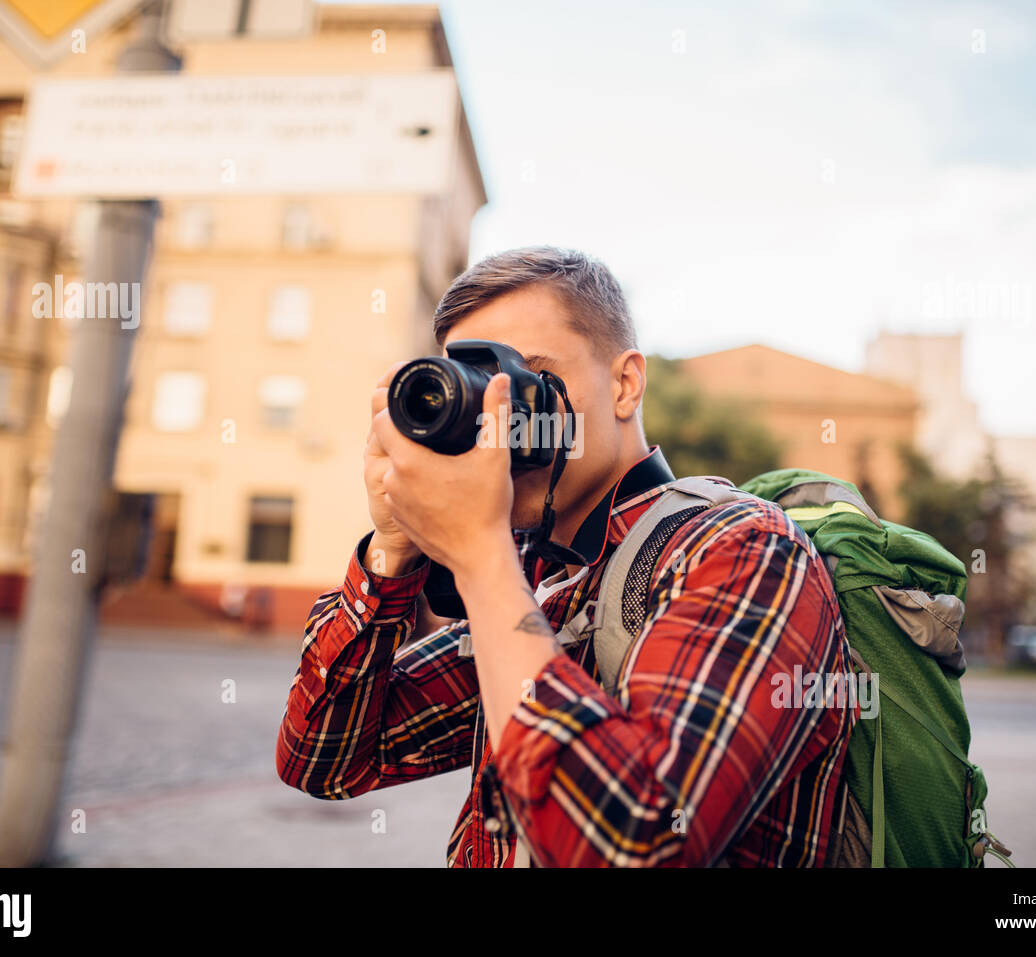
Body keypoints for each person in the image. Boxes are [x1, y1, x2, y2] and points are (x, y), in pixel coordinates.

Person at [275, 246, 856, 867]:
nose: (499, 421)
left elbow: (632, 845)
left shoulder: (742, 550)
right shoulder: (545, 581)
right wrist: (394, 546)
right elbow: (323, 759)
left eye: (529, 380)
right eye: (478, 391)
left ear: (625, 384)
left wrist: (479, 556)